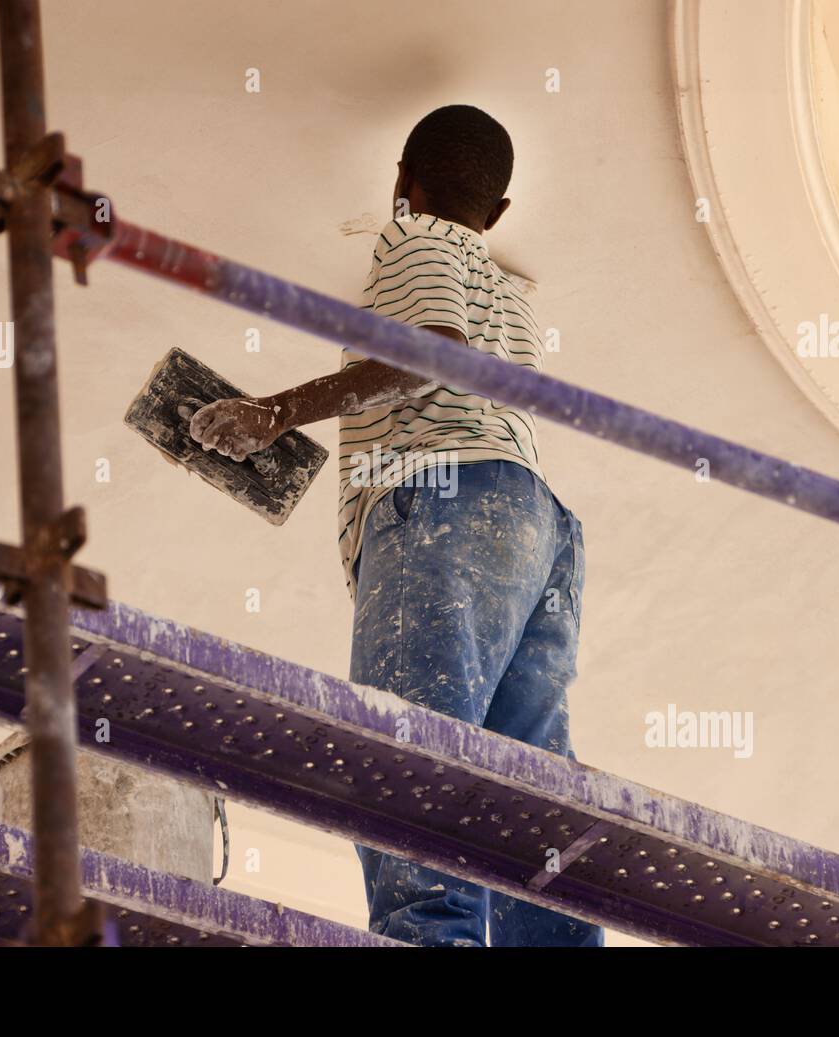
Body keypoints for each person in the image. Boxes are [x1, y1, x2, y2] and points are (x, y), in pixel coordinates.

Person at [189, 104, 602, 947]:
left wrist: (275, 414)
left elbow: (431, 353)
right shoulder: (510, 292)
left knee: (412, 759)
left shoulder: (411, 237)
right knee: (527, 783)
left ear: (402, 185)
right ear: (501, 214)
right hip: (538, 529)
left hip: (442, 502)